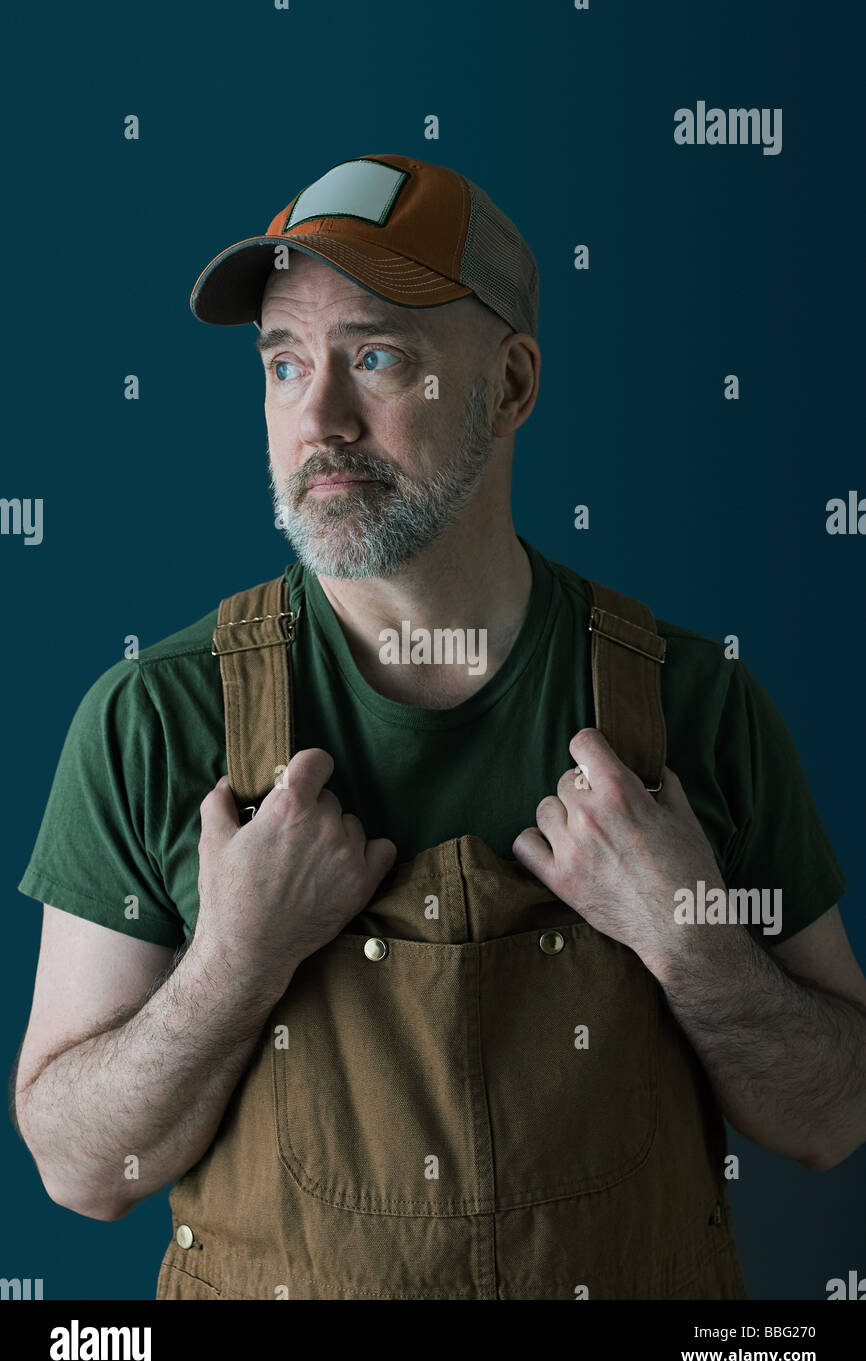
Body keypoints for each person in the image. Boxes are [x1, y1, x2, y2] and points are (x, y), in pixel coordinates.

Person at [12, 154, 866, 1301]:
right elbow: (79, 1170)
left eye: (375, 357)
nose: (318, 417)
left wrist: (692, 943)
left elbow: (830, 1121)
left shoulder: (696, 706)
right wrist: (232, 963)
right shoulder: (152, 720)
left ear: (510, 384)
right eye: (281, 362)